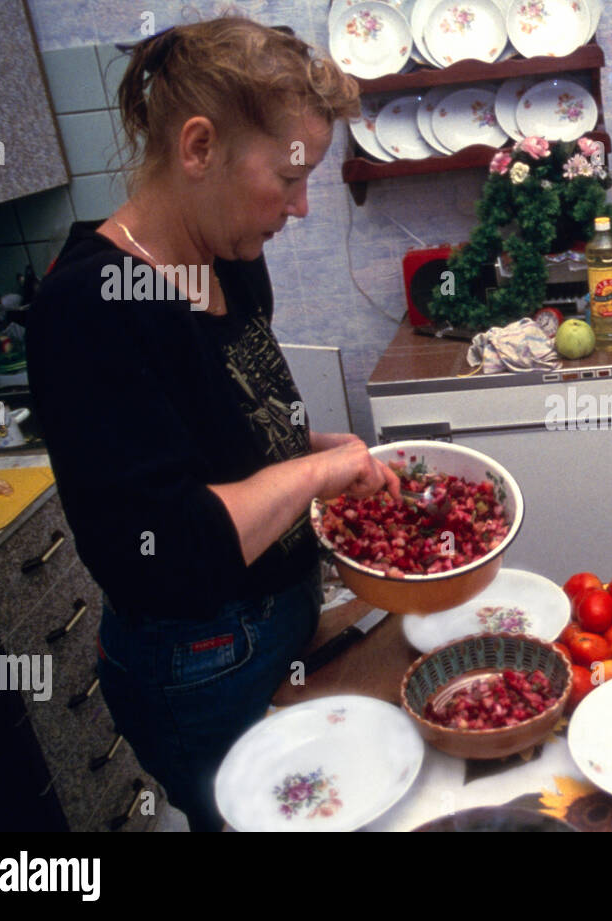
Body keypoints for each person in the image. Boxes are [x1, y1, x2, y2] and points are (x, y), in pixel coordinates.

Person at [27, 17, 399, 832]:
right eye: (290, 178)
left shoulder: (229, 255)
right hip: (196, 664)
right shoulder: (87, 310)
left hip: (281, 614)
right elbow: (174, 544)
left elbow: (220, 432)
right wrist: (312, 475)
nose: (302, 208)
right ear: (198, 147)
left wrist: (306, 446)